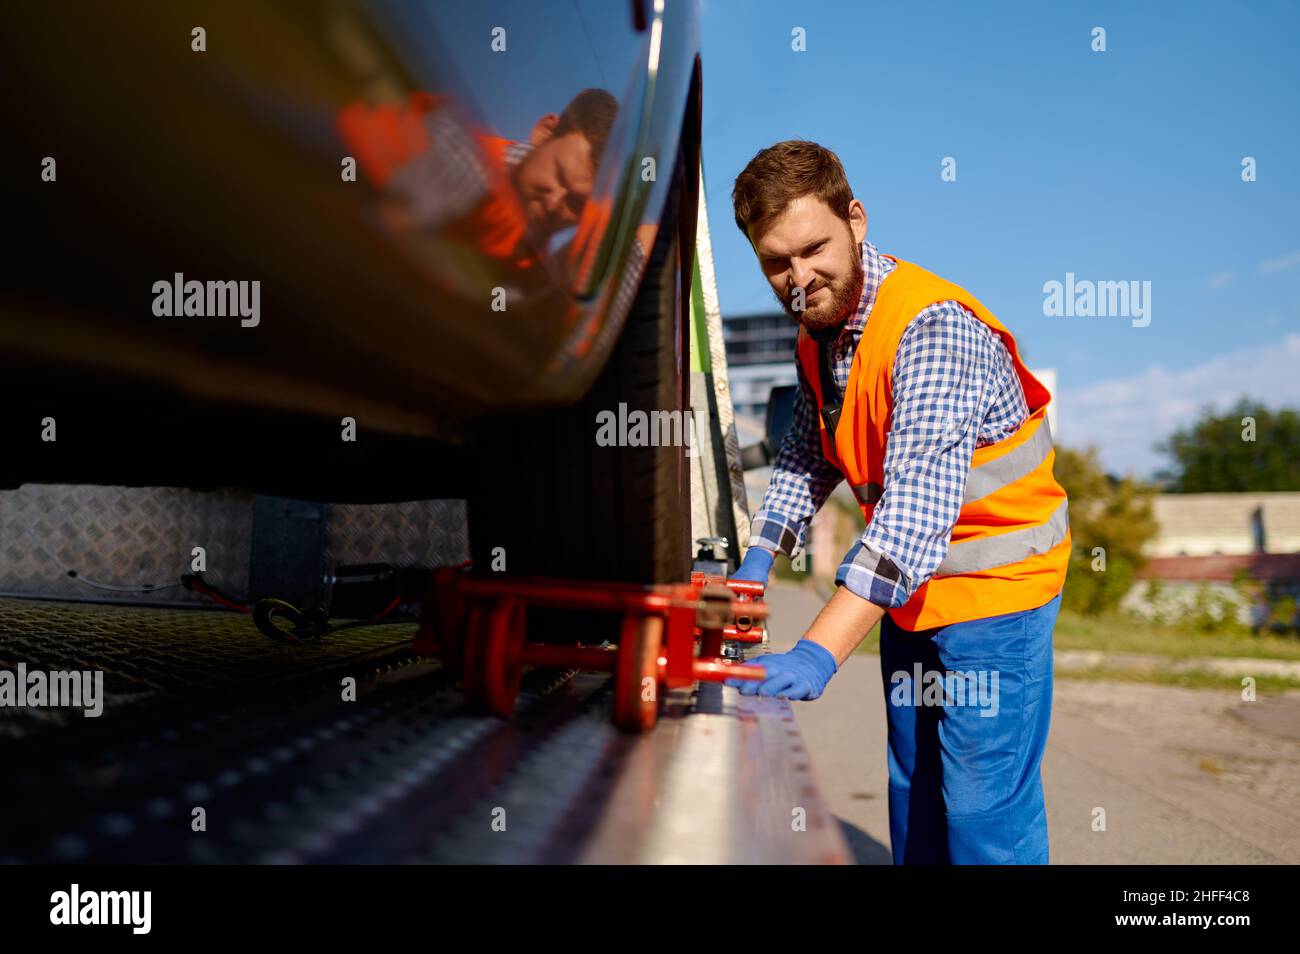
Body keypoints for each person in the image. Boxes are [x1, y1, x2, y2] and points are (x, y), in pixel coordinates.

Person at [725, 140, 1070, 864]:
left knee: (981, 812)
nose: (799, 278)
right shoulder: (819, 333)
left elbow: (911, 517)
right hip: (910, 596)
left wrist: (820, 651)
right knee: (913, 789)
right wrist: (757, 556)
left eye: (814, 248)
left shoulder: (932, 326)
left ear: (856, 219)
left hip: (995, 594)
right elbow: (809, 452)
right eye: (775, 263)